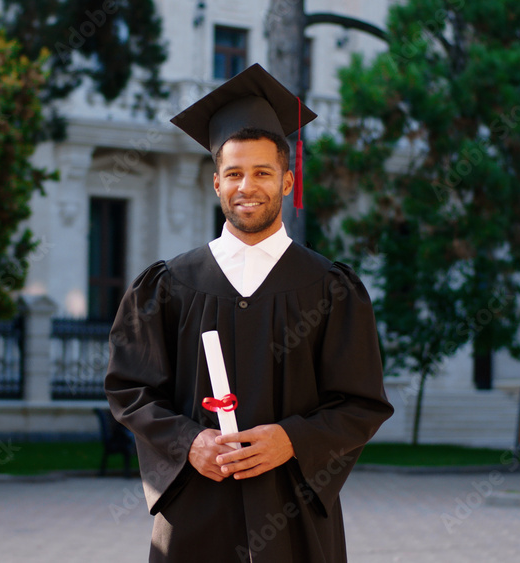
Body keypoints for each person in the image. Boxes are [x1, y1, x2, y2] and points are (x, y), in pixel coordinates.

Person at [105, 64, 394, 563]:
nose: (247, 186)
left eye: (262, 172)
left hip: (294, 515)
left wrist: (291, 439)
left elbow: (361, 404)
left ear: (287, 180)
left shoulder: (330, 288)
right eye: (234, 173)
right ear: (215, 182)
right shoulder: (168, 285)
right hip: (196, 511)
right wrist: (189, 443)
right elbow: (130, 390)